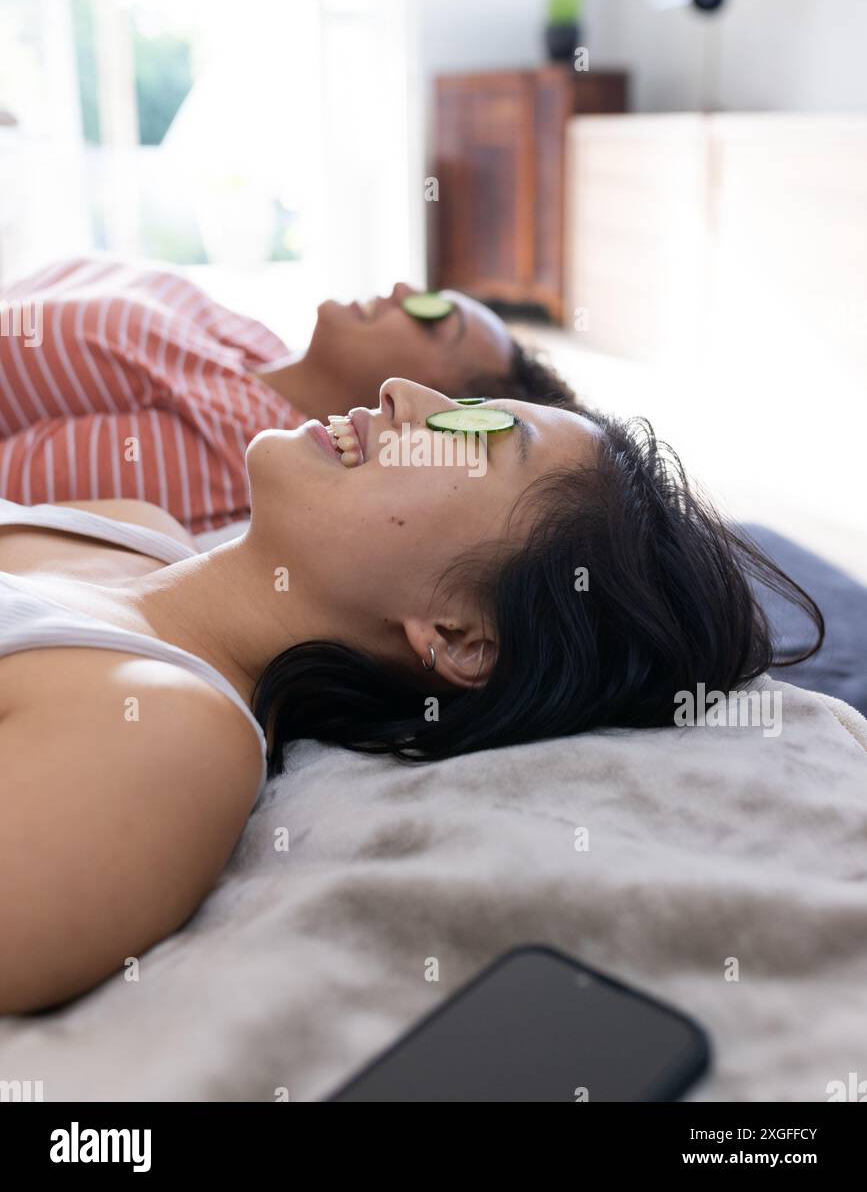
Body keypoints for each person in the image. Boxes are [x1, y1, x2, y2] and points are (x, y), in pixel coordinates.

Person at [0, 378, 821, 1013]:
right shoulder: (122, 525)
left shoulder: (170, 735)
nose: (402, 393)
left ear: (460, 637)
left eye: (482, 434)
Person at [0, 258, 576, 533]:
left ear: (432, 403)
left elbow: (17, 487)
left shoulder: (240, 454)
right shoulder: (256, 344)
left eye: (435, 318)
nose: (403, 288)